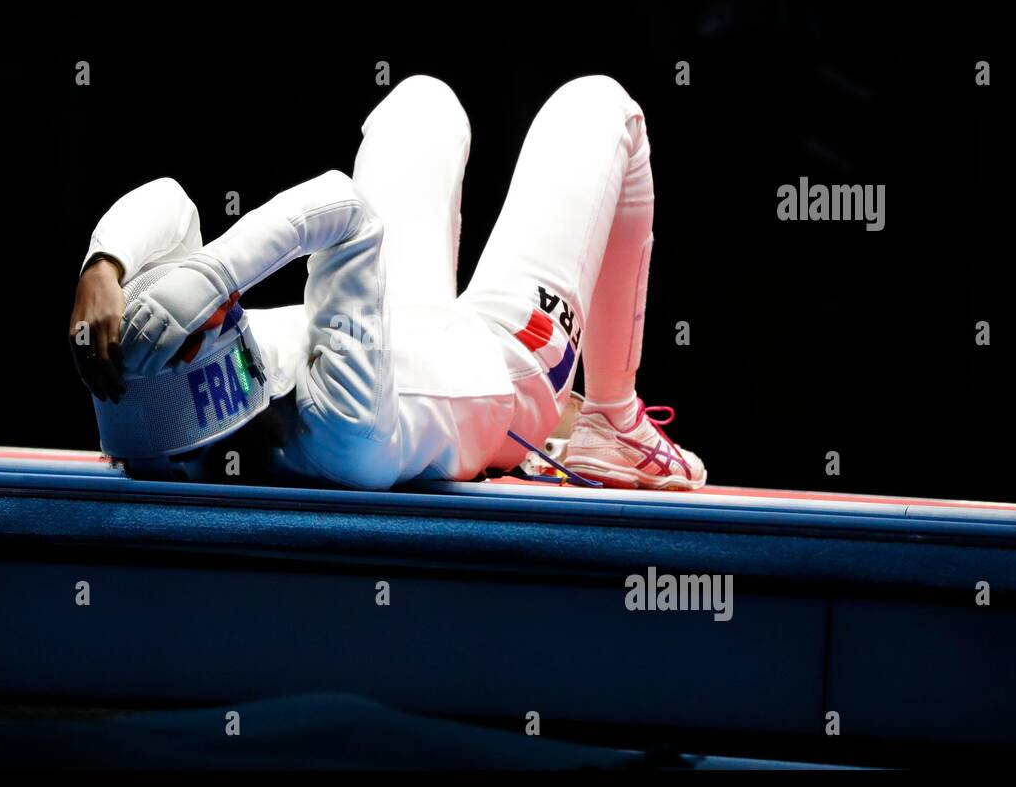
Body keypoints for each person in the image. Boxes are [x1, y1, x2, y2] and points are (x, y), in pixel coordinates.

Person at [68, 75, 706, 491]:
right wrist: (213, 272)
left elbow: (170, 205)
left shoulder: (151, 426)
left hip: (390, 316)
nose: (224, 311)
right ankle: (614, 420)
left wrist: (103, 265)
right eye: (206, 321)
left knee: (419, 101)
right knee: (599, 106)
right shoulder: (340, 429)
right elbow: (343, 209)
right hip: (505, 365)